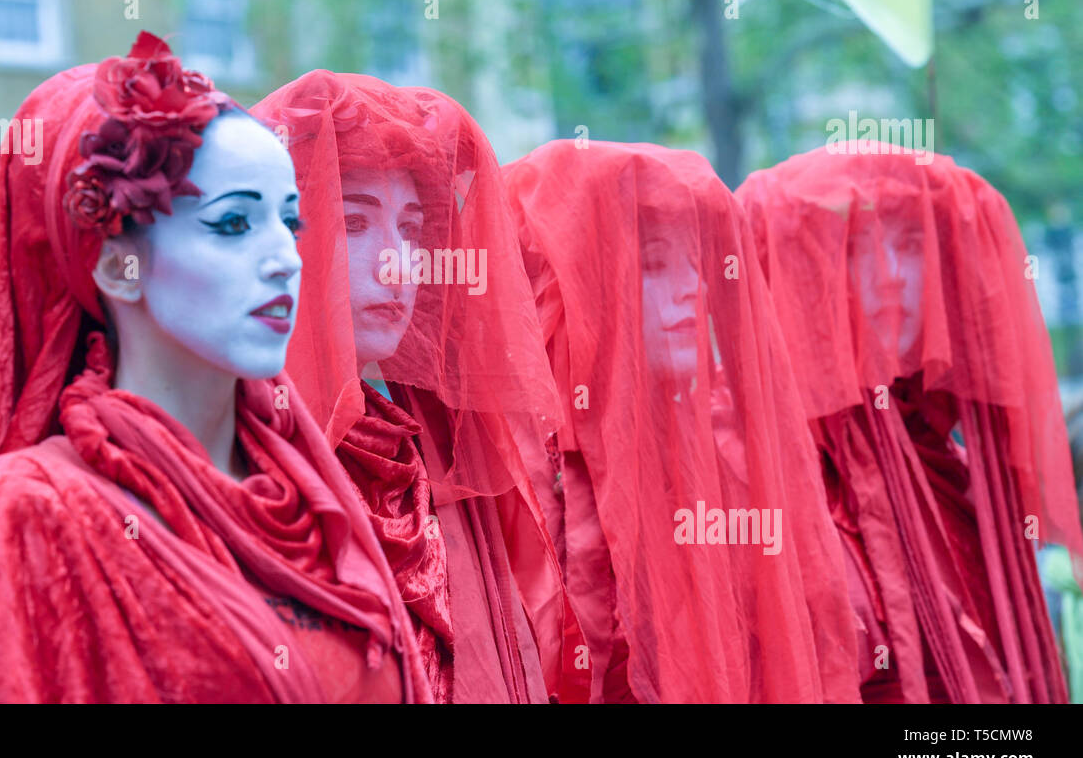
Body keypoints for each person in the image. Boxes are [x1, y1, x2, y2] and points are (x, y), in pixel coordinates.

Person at [0, 33, 431, 703]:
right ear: (115, 265)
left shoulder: (316, 496)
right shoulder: (27, 512)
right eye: (232, 225)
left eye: (290, 223)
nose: (286, 259)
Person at [252, 71, 587, 703]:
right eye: (353, 224)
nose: (398, 264)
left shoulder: (431, 455)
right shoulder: (232, 458)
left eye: (411, 229)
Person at [501, 139, 861, 702]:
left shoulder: (730, 458)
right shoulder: (507, 475)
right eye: (654, 264)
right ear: (571, 282)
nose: (691, 290)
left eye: (694, 262)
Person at [737, 143, 1083, 703]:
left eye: (911, 243)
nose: (894, 276)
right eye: (860, 248)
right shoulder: (738, 475)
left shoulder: (957, 468)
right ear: (801, 271)